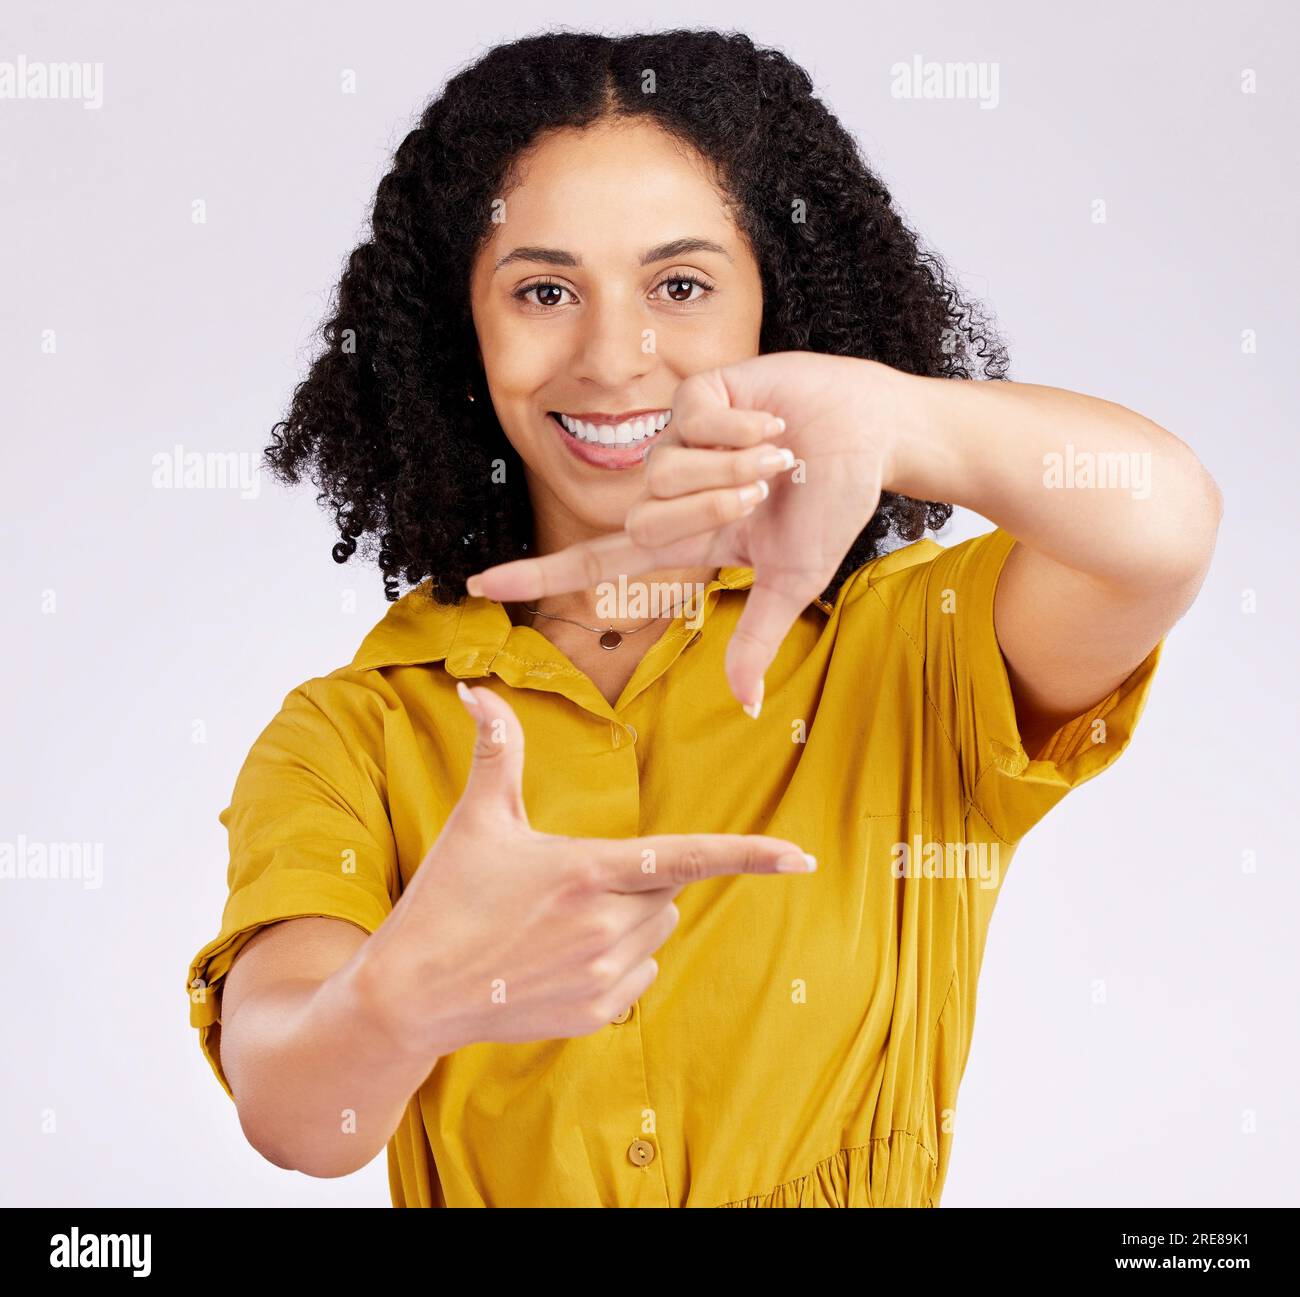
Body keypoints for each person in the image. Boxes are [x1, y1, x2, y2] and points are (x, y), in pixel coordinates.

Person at [184, 29, 1221, 1208]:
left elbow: (1162, 526)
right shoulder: (351, 734)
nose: (616, 357)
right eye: (543, 290)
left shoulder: (906, 651)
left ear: (773, 301)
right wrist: (399, 999)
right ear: (457, 333)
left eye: (679, 286)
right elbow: (297, 1118)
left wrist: (894, 420)